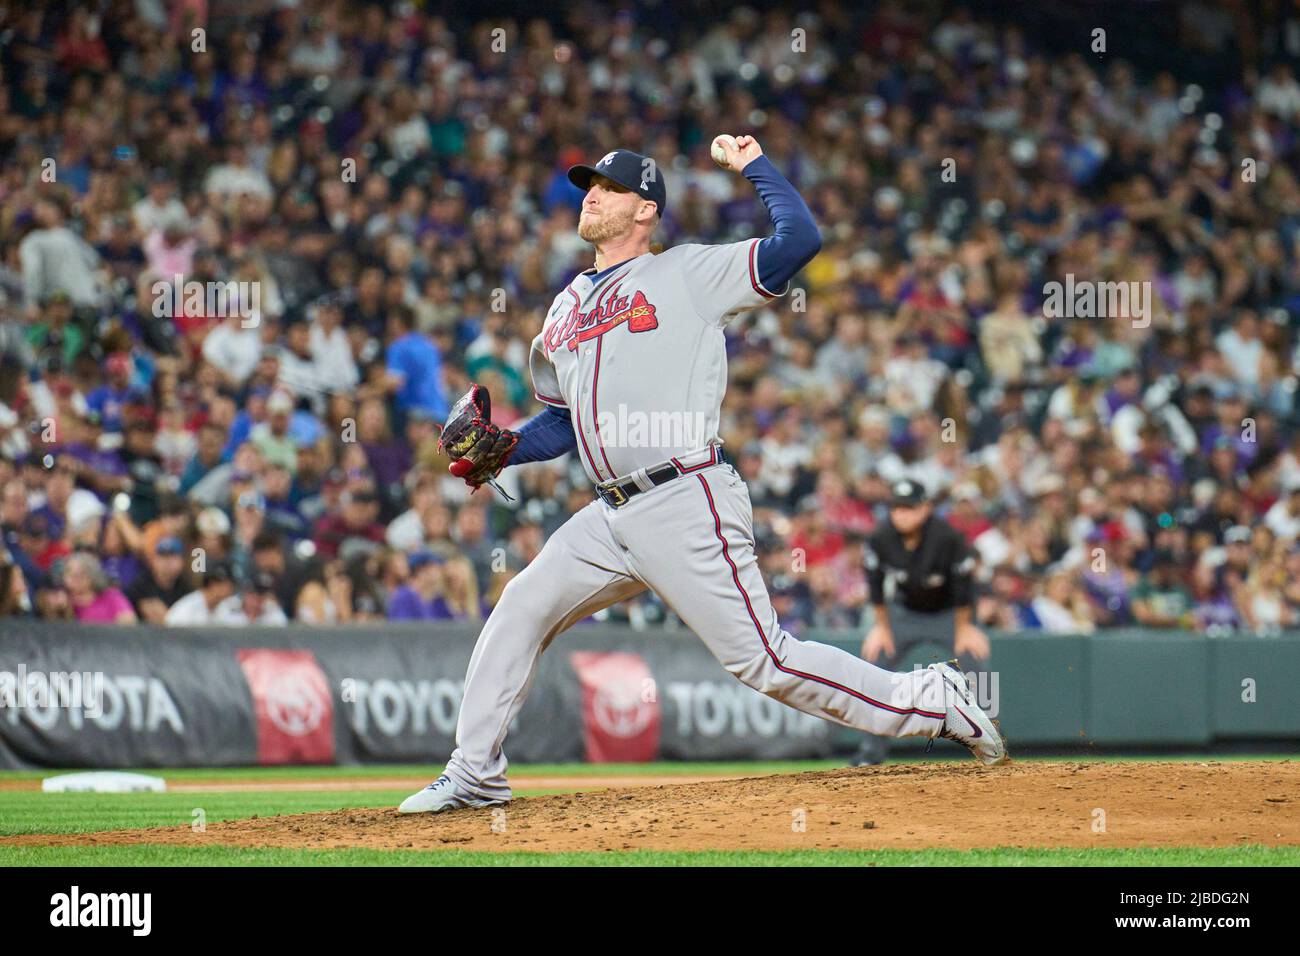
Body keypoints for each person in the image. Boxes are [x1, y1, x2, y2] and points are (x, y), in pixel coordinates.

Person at [399, 140, 1006, 815]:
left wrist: (752, 163)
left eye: (608, 186)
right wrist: (504, 448)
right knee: (521, 605)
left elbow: (800, 238)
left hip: (685, 497)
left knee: (765, 663)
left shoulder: (687, 274)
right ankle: (476, 772)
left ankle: (928, 699)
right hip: (609, 516)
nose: (591, 195)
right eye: (588, 185)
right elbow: (566, 425)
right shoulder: (565, 309)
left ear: (646, 209)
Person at [851, 479, 990, 766]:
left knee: (975, 666)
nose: (901, 514)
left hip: (949, 614)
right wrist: (881, 627)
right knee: (876, 663)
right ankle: (870, 753)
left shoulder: (947, 537)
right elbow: (875, 584)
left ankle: (990, 747)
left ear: (926, 508)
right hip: (904, 613)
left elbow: (964, 585)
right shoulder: (880, 537)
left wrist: (965, 628)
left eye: (909, 507)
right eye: (896, 508)